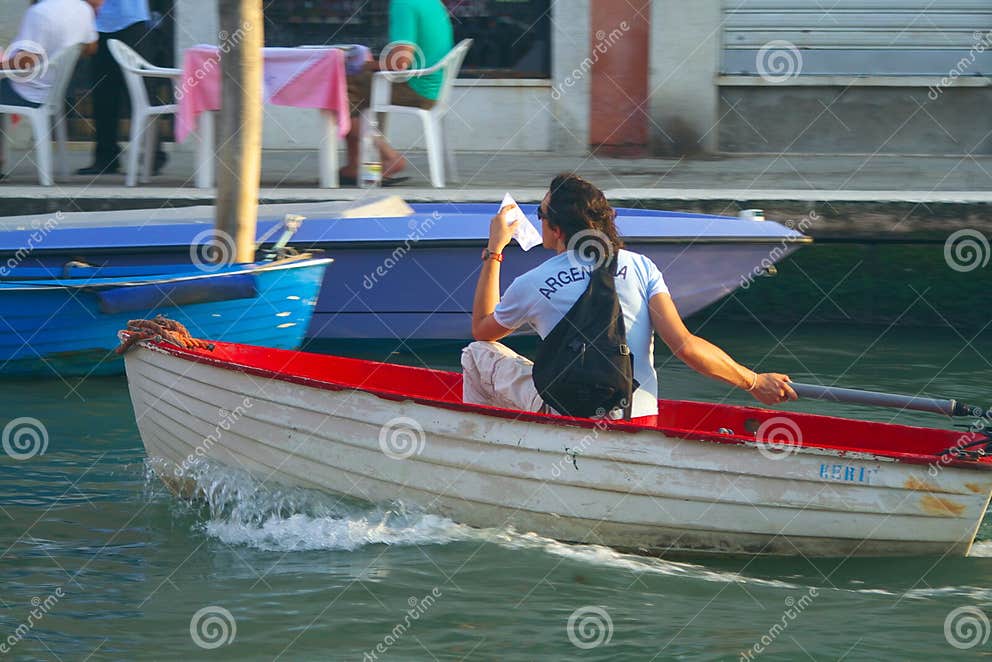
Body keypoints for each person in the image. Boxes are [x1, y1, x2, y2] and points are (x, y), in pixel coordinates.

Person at [463, 174, 798, 418]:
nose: (538, 221)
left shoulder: (532, 282)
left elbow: (482, 330)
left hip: (570, 414)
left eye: (541, 215)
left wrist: (495, 251)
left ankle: (496, 446)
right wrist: (754, 382)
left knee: (477, 354)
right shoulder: (640, 266)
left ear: (557, 229)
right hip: (639, 415)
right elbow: (685, 346)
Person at [340, 0, 454, 186]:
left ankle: (388, 158)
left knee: (340, 88)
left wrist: (364, 65)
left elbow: (400, 63)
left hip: (414, 88)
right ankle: (358, 167)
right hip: (431, 87)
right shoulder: (433, 3)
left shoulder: (404, 4)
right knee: (358, 87)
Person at [0, 0, 101, 179]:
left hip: (29, 90)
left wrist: (3, 64)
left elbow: (27, 61)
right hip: (54, 90)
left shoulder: (39, 12)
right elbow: (91, 48)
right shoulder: (83, 9)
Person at [76, 0, 161, 176]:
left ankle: (153, 156)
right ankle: (106, 158)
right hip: (100, 23)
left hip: (131, 21)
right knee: (103, 95)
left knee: (141, 93)